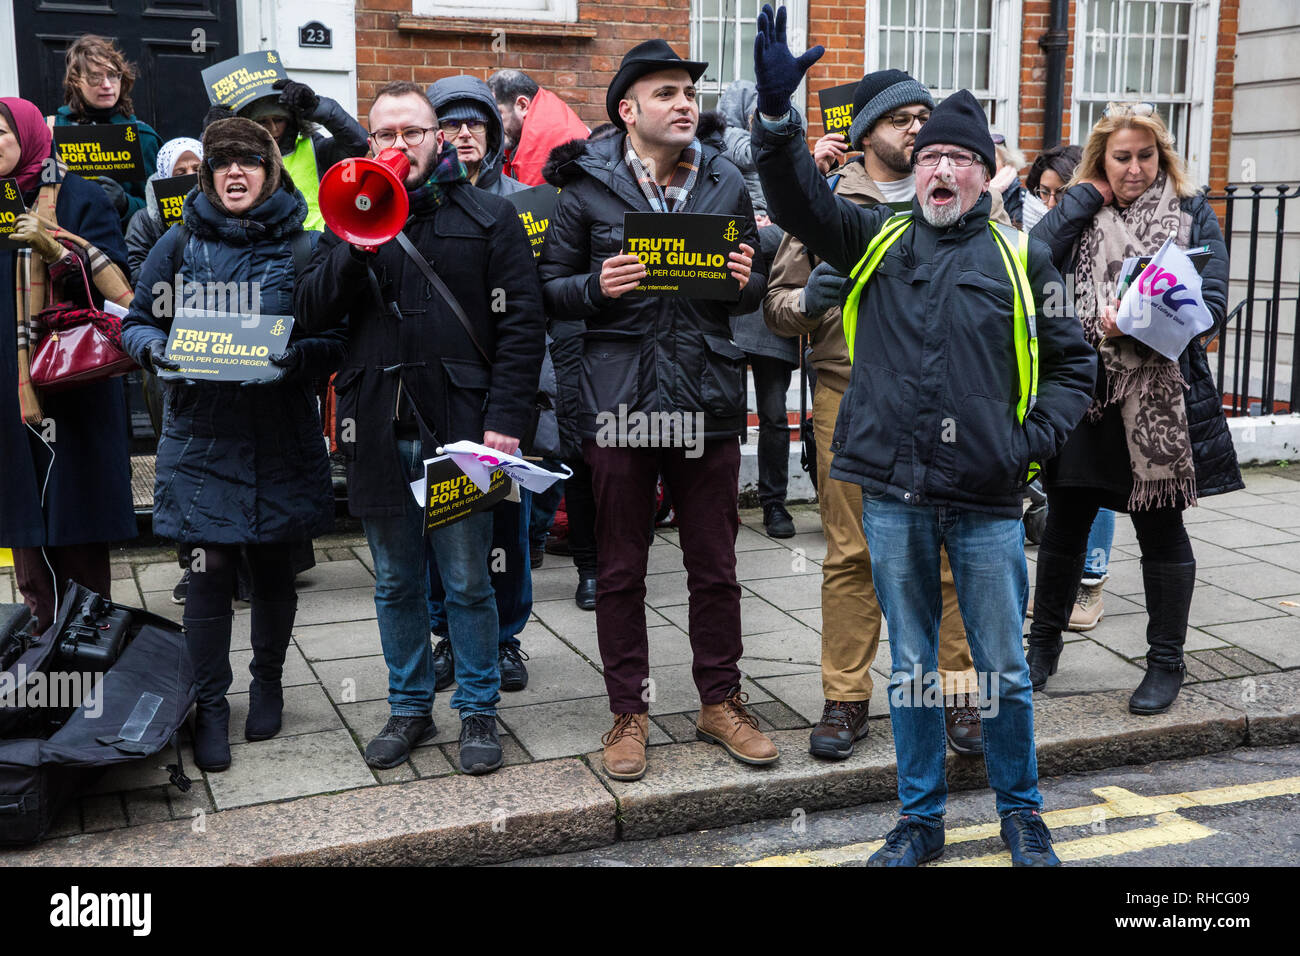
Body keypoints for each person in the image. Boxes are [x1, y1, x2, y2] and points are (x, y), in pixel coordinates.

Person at [752, 4, 1097, 865]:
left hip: (984, 499)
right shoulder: (874, 234)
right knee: (910, 669)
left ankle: (1022, 814)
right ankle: (919, 821)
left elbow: (1072, 363)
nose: (940, 168)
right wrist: (774, 120)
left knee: (1001, 671)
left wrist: (1030, 442)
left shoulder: (1024, 259)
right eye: (929, 155)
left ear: (984, 176)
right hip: (892, 492)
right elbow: (797, 198)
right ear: (916, 170)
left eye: (959, 159)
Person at [539, 39, 776, 782]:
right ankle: (629, 714)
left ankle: (720, 702)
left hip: (705, 396)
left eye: (688, 92)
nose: (684, 104)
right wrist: (595, 287)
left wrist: (743, 279)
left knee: (715, 564)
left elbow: (742, 292)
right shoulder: (584, 189)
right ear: (627, 110)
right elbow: (548, 290)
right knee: (620, 568)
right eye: (666, 93)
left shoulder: (726, 182)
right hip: (622, 398)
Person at [295, 81, 544, 775]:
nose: (398, 145)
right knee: (396, 582)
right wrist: (359, 239)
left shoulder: (492, 216)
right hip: (378, 427)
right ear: (369, 143)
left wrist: (505, 422)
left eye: (413, 132)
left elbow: (522, 327)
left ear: (441, 138)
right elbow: (311, 310)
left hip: (462, 428)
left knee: (467, 580)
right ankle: (409, 709)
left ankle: (478, 711)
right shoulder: (344, 215)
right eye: (385, 135)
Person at [764, 68, 993, 759]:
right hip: (850, 394)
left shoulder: (960, 194)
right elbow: (777, 311)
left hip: (947, 400)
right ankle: (845, 698)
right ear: (865, 134)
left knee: (952, 548)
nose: (918, 128)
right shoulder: (831, 201)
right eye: (901, 119)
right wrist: (810, 303)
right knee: (852, 553)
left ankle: (959, 693)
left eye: (925, 115)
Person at [121, 117, 344, 772]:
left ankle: (268, 680)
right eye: (222, 163)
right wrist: (157, 351)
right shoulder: (177, 245)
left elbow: (339, 339)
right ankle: (211, 704)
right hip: (202, 437)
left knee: (275, 565)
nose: (234, 173)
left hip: (280, 433)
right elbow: (135, 322)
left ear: (270, 169)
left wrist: (292, 360)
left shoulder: (307, 248)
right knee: (209, 570)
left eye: (248, 161)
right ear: (209, 174)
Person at [1027, 103, 1242, 713]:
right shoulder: (1080, 208)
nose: (1135, 168)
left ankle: (1165, 663)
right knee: (1065, 524)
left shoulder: (1191, 211)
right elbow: (1031, 263)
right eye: (1122, 157)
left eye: (1146, 155)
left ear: (1162, 156)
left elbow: (1214, 303)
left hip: (1158, 403)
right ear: (1102, 158)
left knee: (1160, 528)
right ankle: (1041, 650)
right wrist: (1078, 199)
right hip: (1085, 395)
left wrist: (1138, 322)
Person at [425, 74, 546, 694]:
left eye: (476, 122)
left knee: (505, 526)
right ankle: (449, 635)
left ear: (494, 134)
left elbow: (535, 306)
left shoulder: (524, 202)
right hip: (436, 393)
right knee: (438, 527)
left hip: (500, 395)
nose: (463, 131)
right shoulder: (411, 202)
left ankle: (506, 638)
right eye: (450, 122)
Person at [0, 96, 137, 632]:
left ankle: (86, 639)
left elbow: (116, 294)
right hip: (10, 388)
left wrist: (55, 251)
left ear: (28, 134)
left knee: (74, 524)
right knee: (22, 524)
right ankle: (40, 637)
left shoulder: (80, 197)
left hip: (69, 382)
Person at [716, 80, 799, 539]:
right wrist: (756, 233)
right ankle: (719, 503)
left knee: (772, 411)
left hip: (773, 300)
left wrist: (760, 235)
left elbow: (796, 229)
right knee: (723, 412)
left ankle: (774, 504)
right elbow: (714, 236)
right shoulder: (712, 162)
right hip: (727, 302)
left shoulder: (785, 158)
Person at [206, 77, 368, 232]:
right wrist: (215, 135)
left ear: (290, 120)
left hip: (313, 248)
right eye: (263, 122)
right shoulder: (235, 158)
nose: (273, 129)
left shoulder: (313, 147)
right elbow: (205, 184)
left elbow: (358, 143)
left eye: (278, 120)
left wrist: (318, 108)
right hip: (261, 249)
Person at [49, 35, 163, 230]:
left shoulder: (143, 137)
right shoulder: (49, 131)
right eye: (95, 77)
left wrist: (126, 204)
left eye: (112, 75)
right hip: (65, 247)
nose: (107, 85)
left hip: (126, 249)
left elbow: (165, 210)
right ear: (76, 81)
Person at [426, 77, 528, 197]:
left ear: (489, 134)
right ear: (435, 136)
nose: (465, 133)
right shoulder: (418, 203)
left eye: (475, 124)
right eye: (452, 124)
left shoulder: (523, 200)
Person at [488, 69, 589, 187]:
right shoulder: (545, 105)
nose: (494, 125)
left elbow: (527, 201)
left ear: (522, 105)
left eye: (498, 113)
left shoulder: (544, 135)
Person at [126, 137, 203, 285]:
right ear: (165, 176)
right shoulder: (144, 221)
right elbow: (134, 275)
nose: (190, 176)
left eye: (197, 170)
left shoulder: (222, 213)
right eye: (180, 173)